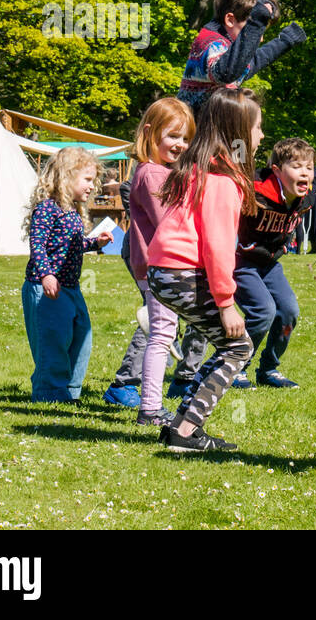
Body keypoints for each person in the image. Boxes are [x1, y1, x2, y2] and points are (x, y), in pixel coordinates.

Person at [147, 88, 262, 452]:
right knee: (238, 347)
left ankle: (180, 424)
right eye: (257, 128)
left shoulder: (199, 168)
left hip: (164, 270)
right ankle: (185, 431)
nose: (261, 136)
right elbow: (217, 246)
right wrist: (226, 303)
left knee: (230, 346)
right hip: (182, 272)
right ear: (239, 132)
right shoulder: (222, 181)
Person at [189, 137, 316, 391]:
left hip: (269, 263)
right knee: (263, 311)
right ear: (277, 171)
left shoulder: (305, 198)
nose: (305, 173)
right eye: (297, 167)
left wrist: (283, 246)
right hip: (241, 261)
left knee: (289, 312)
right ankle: (236, 367)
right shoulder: (255, 192)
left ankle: (269, 368)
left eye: (309, 167)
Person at [104, 98, 194, 422]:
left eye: (186, 138)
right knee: (161, 334)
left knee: (163, 331)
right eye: (173, 136)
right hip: (160, 266)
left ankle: (155, 401)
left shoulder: (159, 171)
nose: (181, 144)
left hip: (162, 265)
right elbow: (168, 221)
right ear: (150, 132)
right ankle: (150, 407)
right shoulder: (153, 174)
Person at [22, 148, 113, 403]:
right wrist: (46, 275)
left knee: (82, 337)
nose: (92, 186)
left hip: (70, 287)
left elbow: (70, 245)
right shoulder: (47, 209)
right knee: (53, 341)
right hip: (48, 288)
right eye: (87, 179)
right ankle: (49, 392)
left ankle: (70, 391)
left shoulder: (72, 210)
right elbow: (37, 244)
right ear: (66, 177)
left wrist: (95, 243)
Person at [177, 0, 307, 114]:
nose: (260, 38)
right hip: (189, 125)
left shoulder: (230, 51)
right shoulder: (211, 43)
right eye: (253, 31)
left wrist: (285, 41)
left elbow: (252, 63)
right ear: (230, 20)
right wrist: (257, 21)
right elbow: (225, 73)